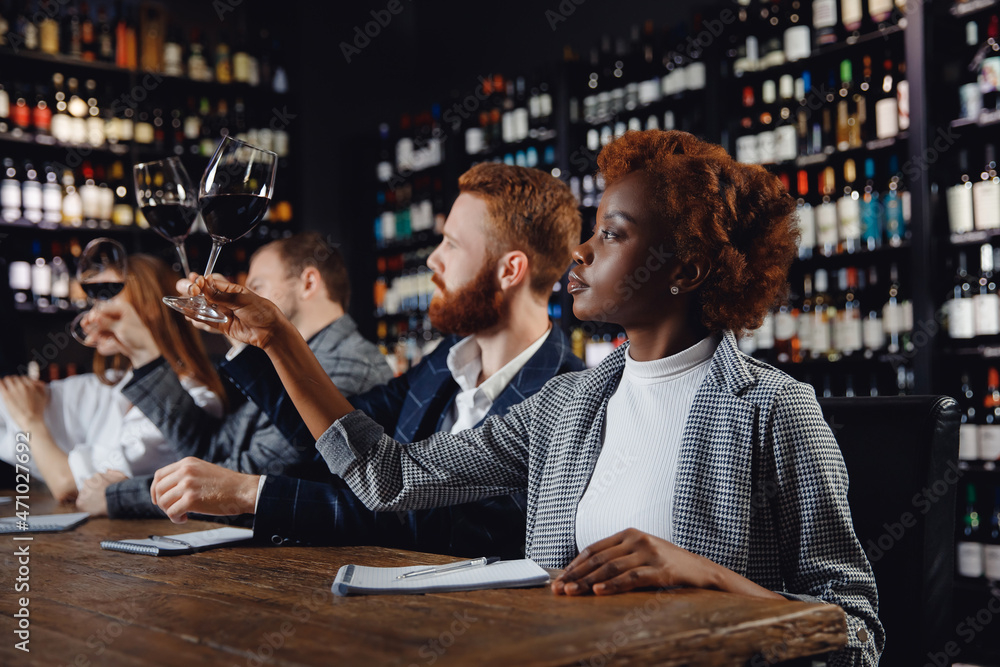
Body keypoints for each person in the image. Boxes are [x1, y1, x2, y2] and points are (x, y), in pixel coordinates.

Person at [158, 130, 884, 666]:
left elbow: (857, 631)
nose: (581, 252)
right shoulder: (566, 405)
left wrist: (707, 575)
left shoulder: (774, 410)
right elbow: (389, 476)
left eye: (612, 234)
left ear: (685, 268)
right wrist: (279, 337)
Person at [144, 162, 585, 557]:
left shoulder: (568, 399)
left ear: (510, 270)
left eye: (451, 244)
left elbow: (439, 528)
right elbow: (331, 440)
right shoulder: (441, 364)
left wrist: (253, 494)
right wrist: (260, 338)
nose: (433, 258)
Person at [76, 233, 393, 518]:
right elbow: (211, 451)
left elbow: (258, 474)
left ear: (309, 283)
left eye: (257, 287)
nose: (245, 294)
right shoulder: (282, 363)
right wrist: (144, 351)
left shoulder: (346, 364)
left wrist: (117, 497)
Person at [0, 254, 226, 503]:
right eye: (95, 303)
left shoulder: (194, 398)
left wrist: (30, 422)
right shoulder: (113, 381)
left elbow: (68, 485)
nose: (92, 317)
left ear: (150, 308)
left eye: (107, 298)